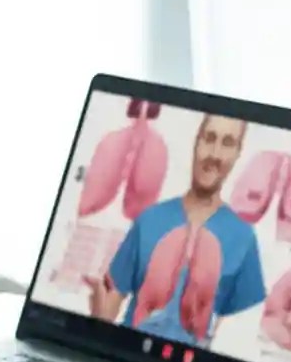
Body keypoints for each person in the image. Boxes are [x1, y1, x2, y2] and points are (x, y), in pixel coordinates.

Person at [84, 113, 266, 346]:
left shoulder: (243, 237)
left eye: (228, 143)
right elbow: (110, 302)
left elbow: (235, 334)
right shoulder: (150, 219)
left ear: (237, 153)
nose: (214, 154)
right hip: (129, 358)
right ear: (196, 142)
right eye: (209, 138)